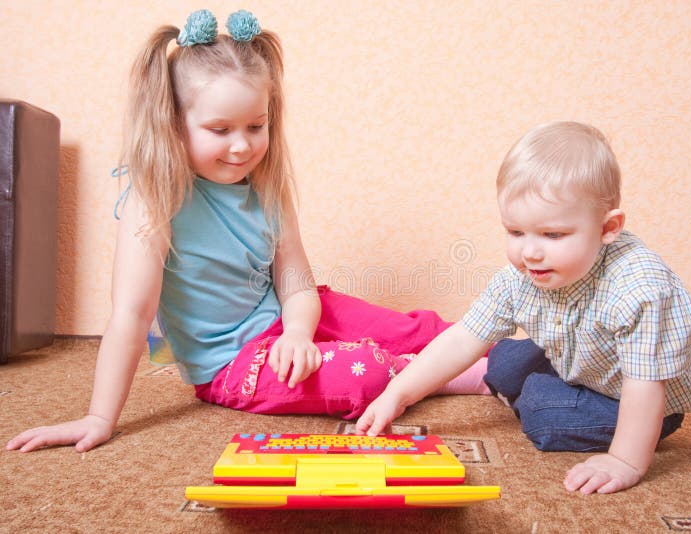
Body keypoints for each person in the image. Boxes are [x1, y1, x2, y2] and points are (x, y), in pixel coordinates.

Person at [6, 9, 488, 454]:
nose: (242, 146)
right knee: (366, 374)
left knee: (405, 328)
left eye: (256, 126)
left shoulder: (268, 187)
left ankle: (516, 356)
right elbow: (131, 316)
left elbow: (296, 282)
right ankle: (442, 373)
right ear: (173, 124)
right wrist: (99, 416)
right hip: (233, 365)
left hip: (287, 321)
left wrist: (298, 332)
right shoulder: (154, 201)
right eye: (220, 130)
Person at [357, 121, 691, 494]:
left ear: (607, 228)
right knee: (502, 361)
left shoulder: (641, 289)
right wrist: (397, 394)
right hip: (580, 361)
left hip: (639, 396)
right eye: (516, 232)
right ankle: (514, 385)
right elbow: (465, 337)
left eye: (553, 235)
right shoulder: (523, 274)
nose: (530, 252)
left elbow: (644, 385)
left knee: (543, 412)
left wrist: (625, 460)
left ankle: (540, 396)